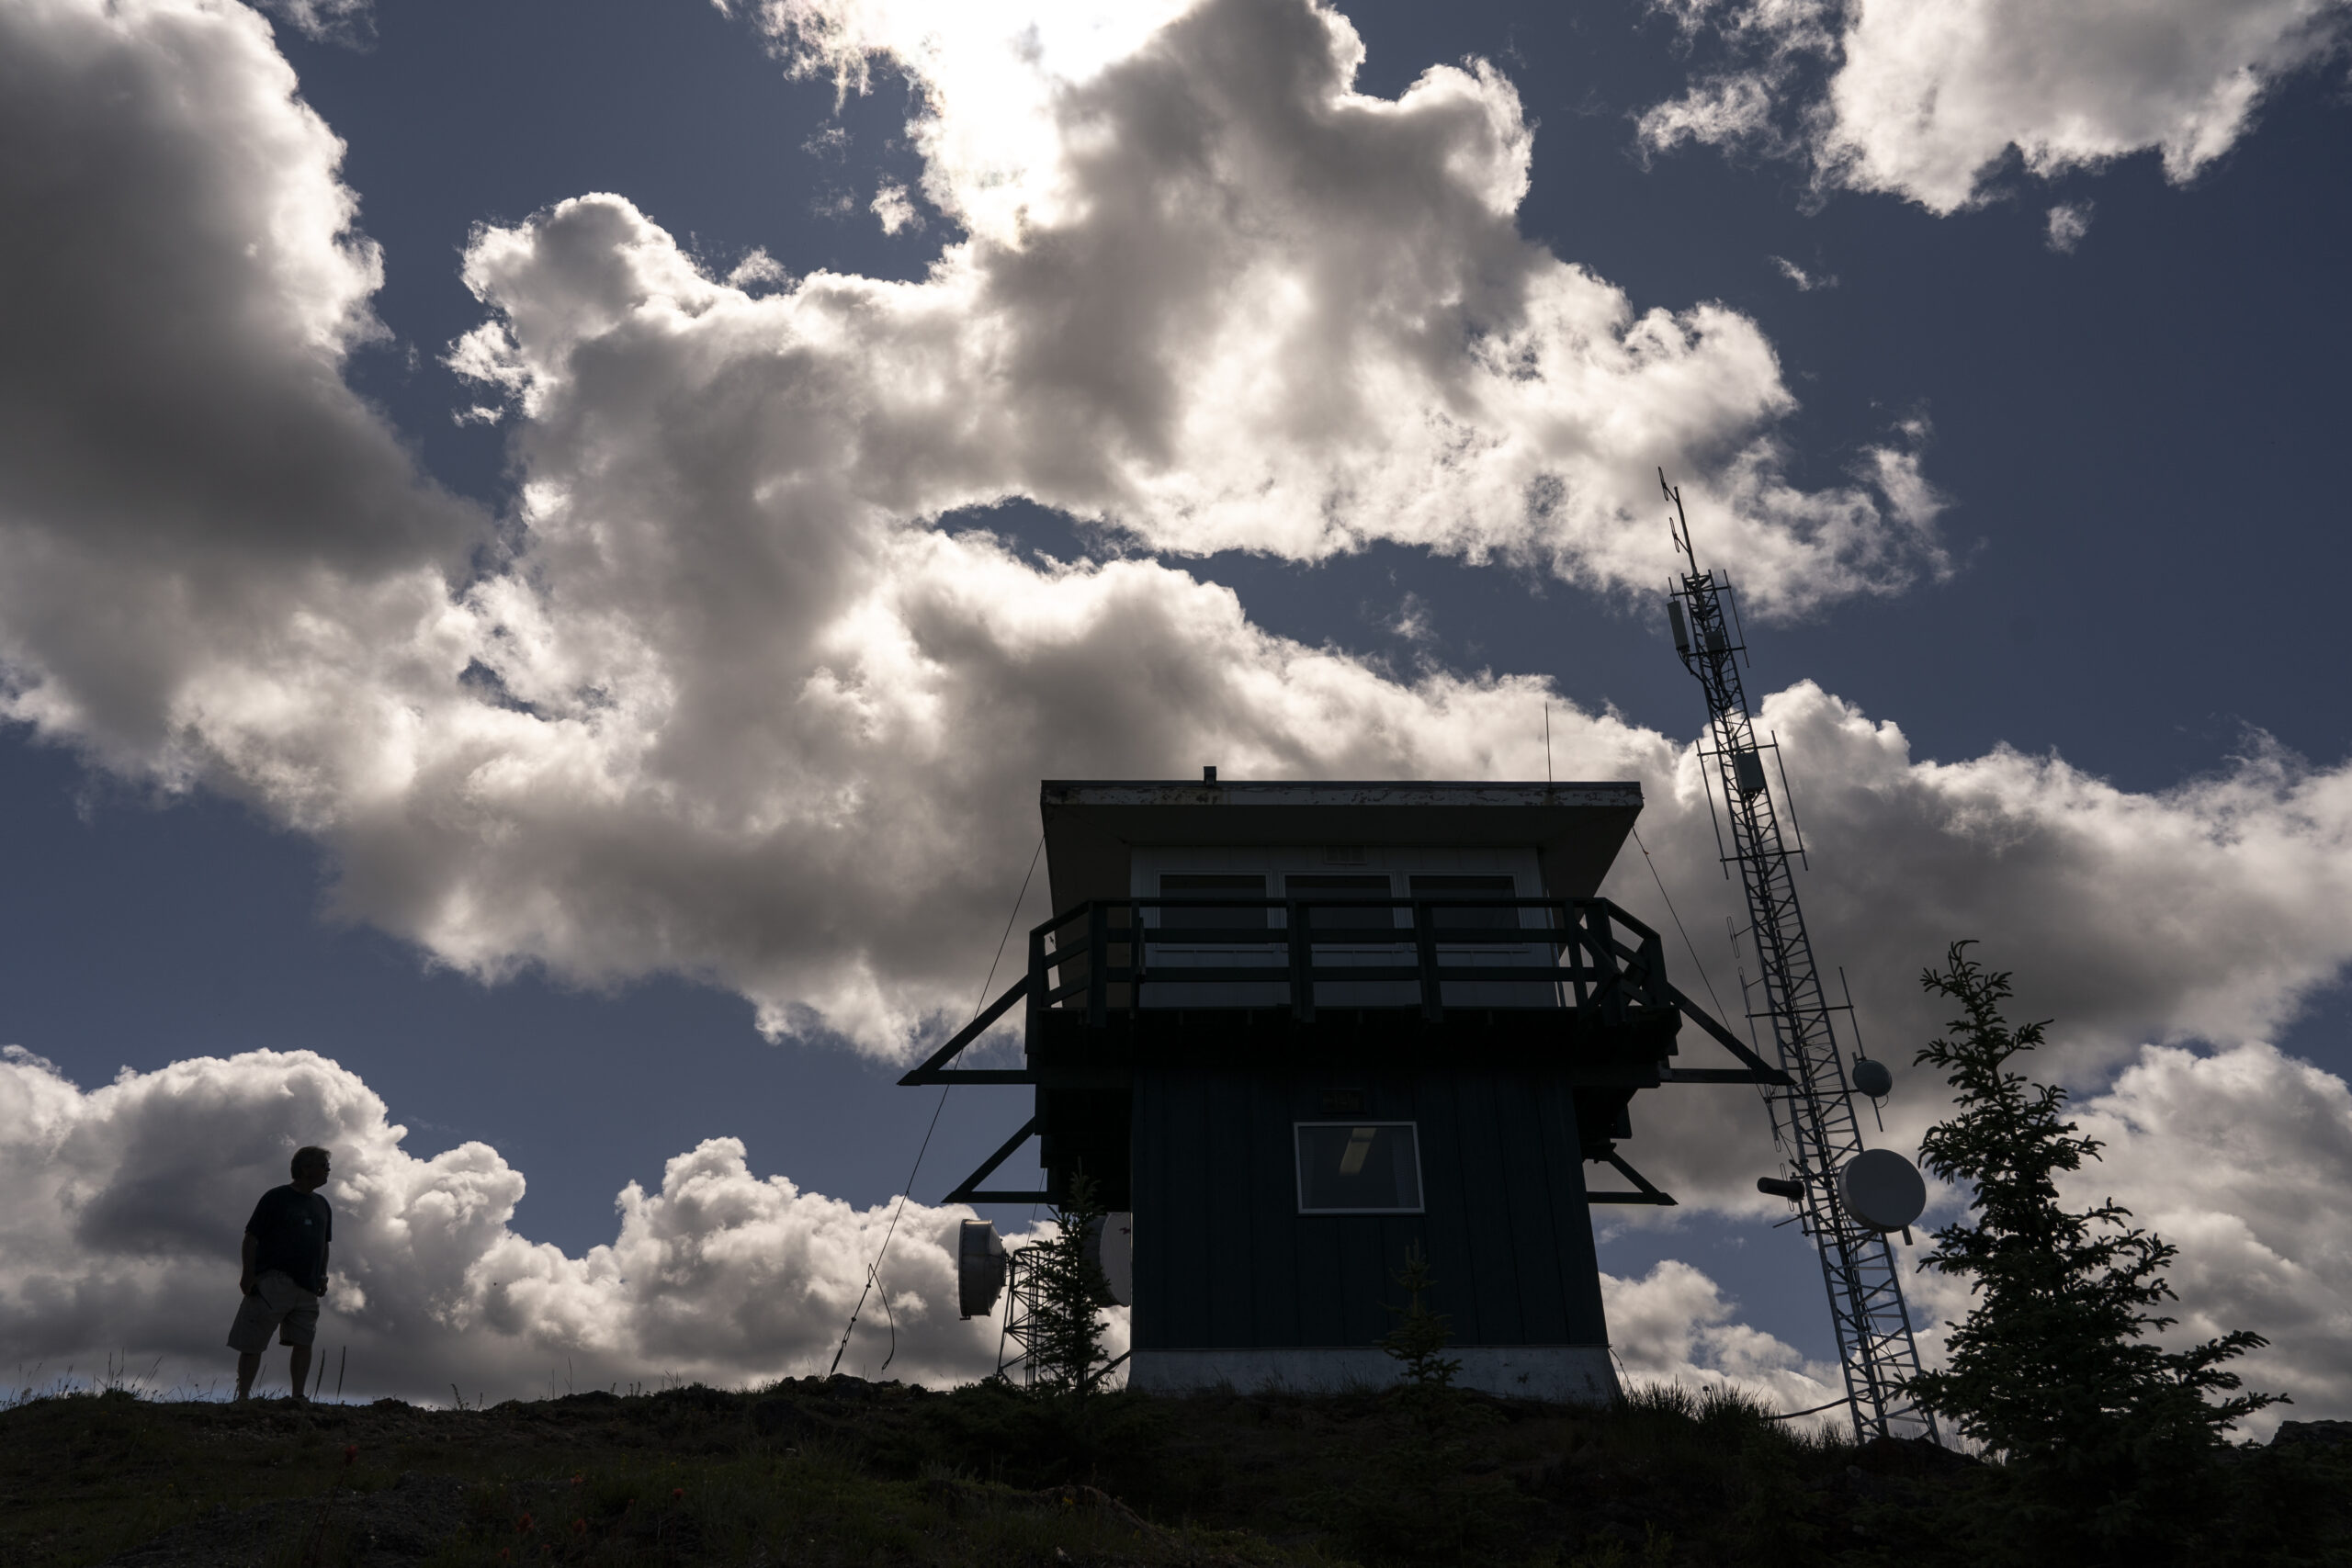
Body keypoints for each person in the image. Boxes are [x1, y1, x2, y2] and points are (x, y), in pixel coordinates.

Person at [229, 1145, 333, 1403]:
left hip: (307, 1286)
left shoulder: (322, 1205)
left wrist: (322, 1275)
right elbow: (251, 1237)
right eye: (323, 1165)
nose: (328, 1170)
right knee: (253, 1340)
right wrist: (248, 1275)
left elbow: (324, 1244)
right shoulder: (276, 1197)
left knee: (303, 1341)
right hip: (273, 1280)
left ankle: (298, 1395)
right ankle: (243, 1397)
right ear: (306, 1168)